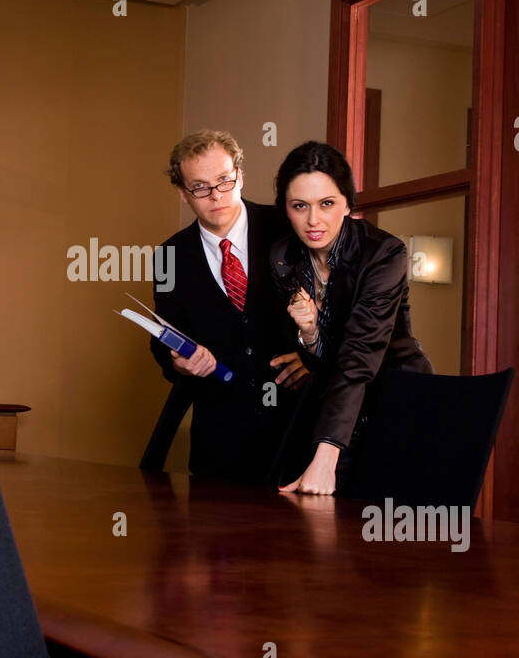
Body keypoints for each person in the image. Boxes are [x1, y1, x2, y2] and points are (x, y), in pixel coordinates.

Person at [268, 141, 432, 496]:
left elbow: (358, 356)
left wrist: (325, 458)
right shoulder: (283, 257)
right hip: (335, 403)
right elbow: (324, 358)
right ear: (286, 209)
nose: (314, 220)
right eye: (300, 206)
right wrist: (309, 333)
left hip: (397, 398)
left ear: (347, 202)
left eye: (327, 203)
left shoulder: (385, 254)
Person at [149, 129, 308, 484]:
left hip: (298, 433)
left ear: (240, 176)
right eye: (200, 187)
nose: (216, 195)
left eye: (224, 180)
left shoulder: (288, 228)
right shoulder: (169, 257)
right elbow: (163, 339)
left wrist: (312, 358)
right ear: (182, 193)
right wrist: (179, 361)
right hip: (220, 446)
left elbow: (337, 311)